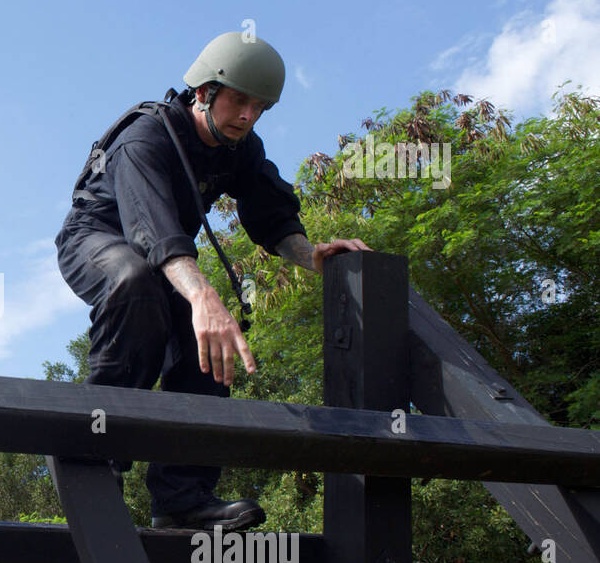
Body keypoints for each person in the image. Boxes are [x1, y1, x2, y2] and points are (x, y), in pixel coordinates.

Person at [55, 31, 368, 531]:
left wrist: (311, 255)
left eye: (259, 107)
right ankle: (92, 454)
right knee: (138, 283)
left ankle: (182, 497)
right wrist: (201, 295)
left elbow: (270, 214)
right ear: (203, 93)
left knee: (208, 337)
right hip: (96, 238)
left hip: (166, 253)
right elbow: (149, 230)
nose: (247, 115)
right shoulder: (145, 137)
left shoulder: (240, 148)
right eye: (239, 101)